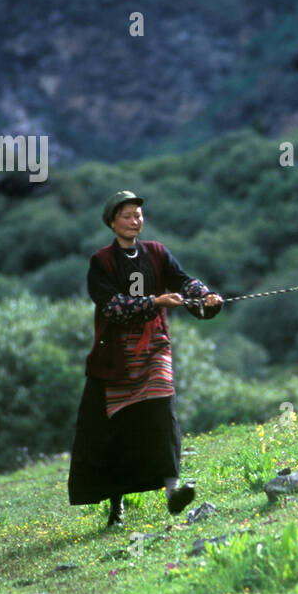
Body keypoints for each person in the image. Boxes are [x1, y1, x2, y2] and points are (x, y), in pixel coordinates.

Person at [67, 190, 224, 527]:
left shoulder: (156, 253)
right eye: (126, 215)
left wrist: (206, 296)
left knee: (162, 411)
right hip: (115, 357)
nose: (134, 220)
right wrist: (155, 302)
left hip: (154, 347)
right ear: (112, 222)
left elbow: (183, 282)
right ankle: (116, 506)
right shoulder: (101, 262)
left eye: (138, 214)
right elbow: (111, 306)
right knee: (117, 428)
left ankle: (173, 493)